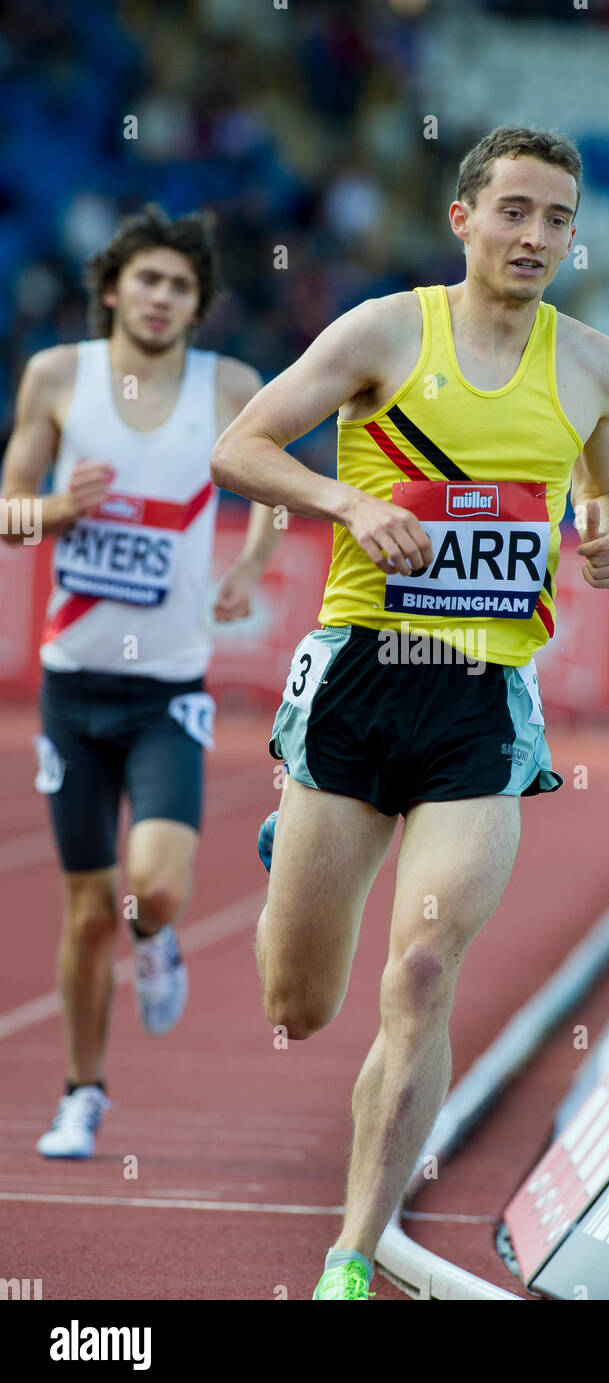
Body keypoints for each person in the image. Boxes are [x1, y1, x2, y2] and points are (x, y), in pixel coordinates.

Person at [210, 126, 609, 1299]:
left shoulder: (597, 363)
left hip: (480, 704)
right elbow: (237, 449)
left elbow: (606, 485)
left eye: (556, 217)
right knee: (299, 1000)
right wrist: (343, 498)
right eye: (513, 211)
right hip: (357, 679)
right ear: (463, 218)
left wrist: (605, 537)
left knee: (423, 970)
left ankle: (353, 1252)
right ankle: (292, 831)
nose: (535, 236)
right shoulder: (385, 332)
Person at [0, 204, 280, 1159]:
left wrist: (247, 570)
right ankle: (82, 1095)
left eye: (182, 286)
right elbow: (7, 518)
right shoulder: (55, 377)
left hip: (167, 690)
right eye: (148, 280)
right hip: (73, 690)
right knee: (86, 912)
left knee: (151, 890)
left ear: (199, 307)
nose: (163, 298)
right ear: (113, 289)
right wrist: (54, 510)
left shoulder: (229, 384)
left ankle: (157, 943)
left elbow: (274, 481)